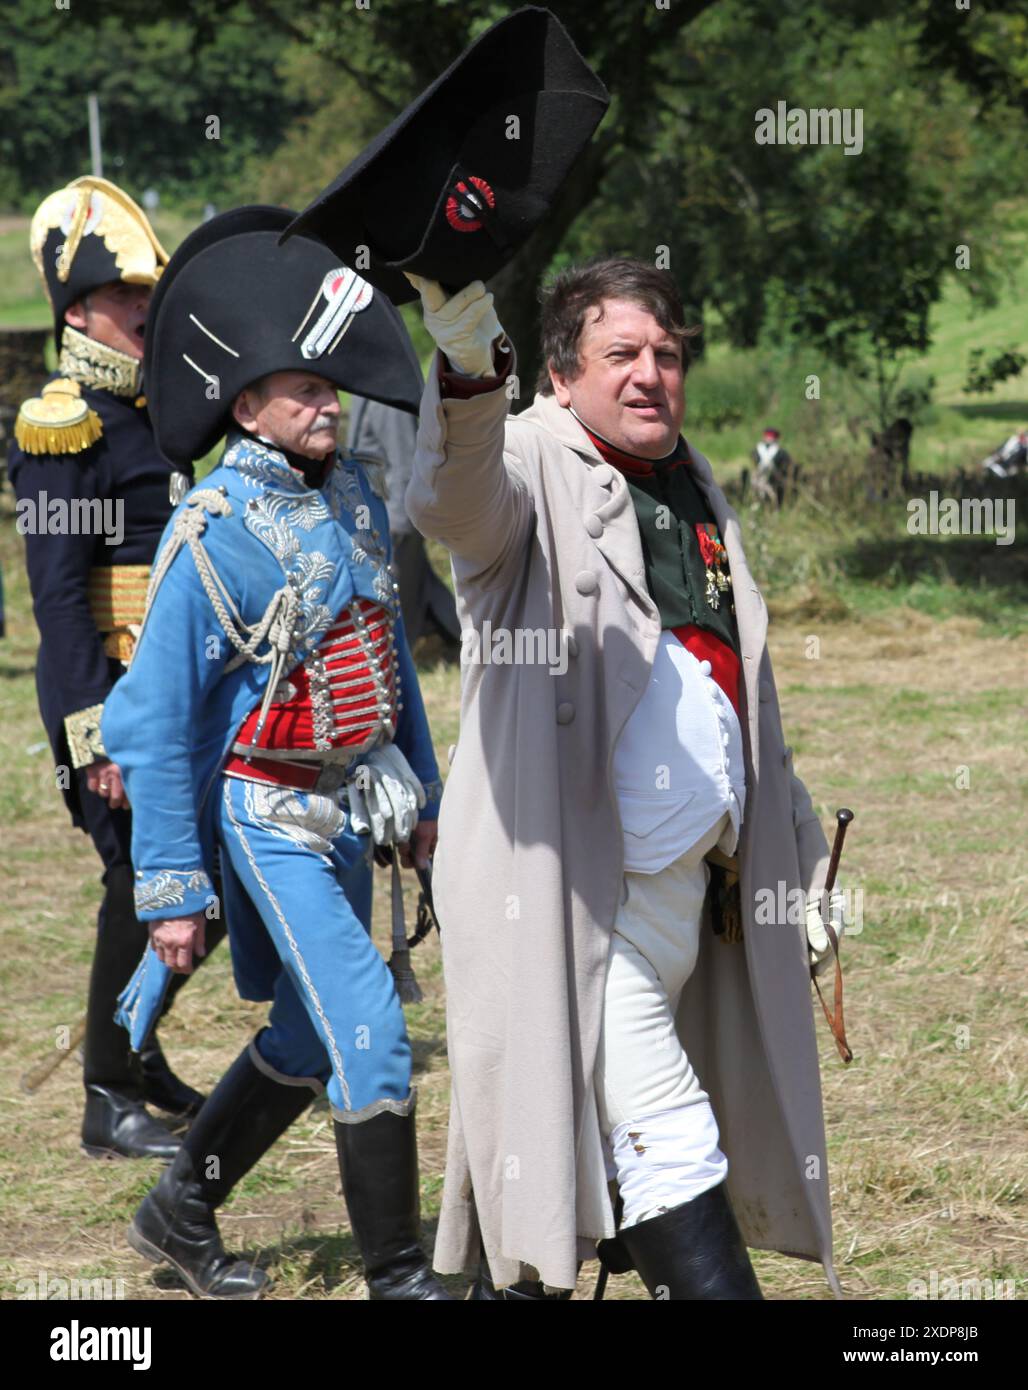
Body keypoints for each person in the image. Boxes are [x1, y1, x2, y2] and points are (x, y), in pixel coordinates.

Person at [404, 258, 848, 1299]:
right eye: (622, 355)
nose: (651, 373)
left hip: (691, 905)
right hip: (565, 912)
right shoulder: (524, 461)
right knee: (663, 1151)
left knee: (572, 1191)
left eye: (666, 353)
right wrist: (468, 367)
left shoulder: (694, 486)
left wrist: (796, 860)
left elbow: (742, 701)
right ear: (561, 376)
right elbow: (451, 503)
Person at [102, 207, 451, 1300]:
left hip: (355, 804)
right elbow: (151, 721)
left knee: (306, 1036)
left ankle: (180, 1209)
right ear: (244, 405)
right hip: (268, 815)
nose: (327, 400)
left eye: (328, 382)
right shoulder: (209, 528)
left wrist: (424, 797)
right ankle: (396, 1272)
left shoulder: (352, 493)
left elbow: (388, 653)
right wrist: (169, 887)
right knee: (371, 1031)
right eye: (301, 388)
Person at [7, 176, 218, 1160]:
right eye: (127, 293)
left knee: (196, 880)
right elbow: (55, 597)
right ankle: (104, 1095)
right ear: (78, 309)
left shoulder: (153, 412)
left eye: (149, 290)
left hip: (171, 683)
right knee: (141, 879)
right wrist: (98, 734)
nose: (146, 306)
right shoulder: (63, 423)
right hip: (108, 691)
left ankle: (135, 1053)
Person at [348, 394, 460, 650]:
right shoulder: (363, 395)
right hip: (377, 518)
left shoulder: (387, 403)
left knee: (398, 597)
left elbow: (405, 465)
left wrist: (399, 523)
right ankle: (468, 640)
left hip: (394, 520)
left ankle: (403, 651)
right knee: (421, 587)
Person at [749, 426, 794, 506]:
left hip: (773, 480)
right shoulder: (758, 449)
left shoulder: (780, 452)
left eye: (771, 436)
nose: (769, 438)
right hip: (759, 479)